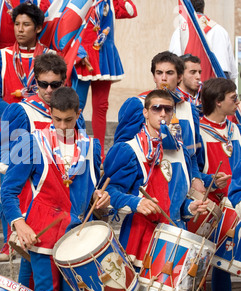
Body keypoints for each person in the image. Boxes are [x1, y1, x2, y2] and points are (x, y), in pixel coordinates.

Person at [0, 87, 110, 291]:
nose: (62, 126)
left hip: (77, 236)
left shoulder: (91, 147)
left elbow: (92, 191)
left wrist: (101, 200)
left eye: (68, 120)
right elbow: (8, 191)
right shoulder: (31, 142)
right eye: (57, 119)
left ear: (79, 114)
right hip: (43, 236)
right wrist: (19, 223)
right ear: (50, 112)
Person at [103, 89, 209, 270]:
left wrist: (189, 207)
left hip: (175, 238)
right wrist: (136, 202)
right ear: (145, 112)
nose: (162, 114)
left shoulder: (181, 151)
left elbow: (176, 203)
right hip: (139, 239)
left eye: (168, 109)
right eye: (156, 108)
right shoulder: (129, 149)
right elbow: (109, 192)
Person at [0, 2, 53, 259]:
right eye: (16, 24)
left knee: (42, 187)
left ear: (38, 28)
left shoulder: (50, 57)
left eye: (26, 25)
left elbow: (59, 93)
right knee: (9, 188)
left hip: (45, 129)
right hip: (10, 130)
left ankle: (40, 237)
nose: (20, 29)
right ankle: (8, 244)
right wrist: (18, 112)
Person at [0, 52, 66, 263]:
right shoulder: (20, 111)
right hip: (30, 194)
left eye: (55, 84)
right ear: (36, 81)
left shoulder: (69, 112)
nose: (49, 90)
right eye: (43, 84)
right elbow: (4, 158)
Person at [114, 51, 205, 194]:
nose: (163, 78)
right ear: (154, 76)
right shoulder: (139, 104)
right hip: (147, 185)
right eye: (159, 73)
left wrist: (196, 178)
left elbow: (192, 153)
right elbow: (122, 149)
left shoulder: (189, 109)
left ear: (179, 77)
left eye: (169, 73)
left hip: (180, 187)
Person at [75, 0, 137, 159]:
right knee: (77, 105)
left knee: (101, 106)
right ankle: (76, 148)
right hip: (82, 55)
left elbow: (131, 11)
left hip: (104, 57)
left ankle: (99, 154)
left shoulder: (110, 2)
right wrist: (77, 52)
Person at [196, 78, 240, 291]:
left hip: (235, 206)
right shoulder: (199, 132)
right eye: (233, 97)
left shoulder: (235, 129)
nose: (237, 101)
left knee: (226, 264)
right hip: (207, 208)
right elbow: (191, 170)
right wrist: (209, 179)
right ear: (218, 102)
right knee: (201, 267)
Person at [169, 0, 237, 82]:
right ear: (203, 8)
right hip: (219, 80)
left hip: (190, 81)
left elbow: (173, 63)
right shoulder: (220, 30)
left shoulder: (180, 31)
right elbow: (233, 73)